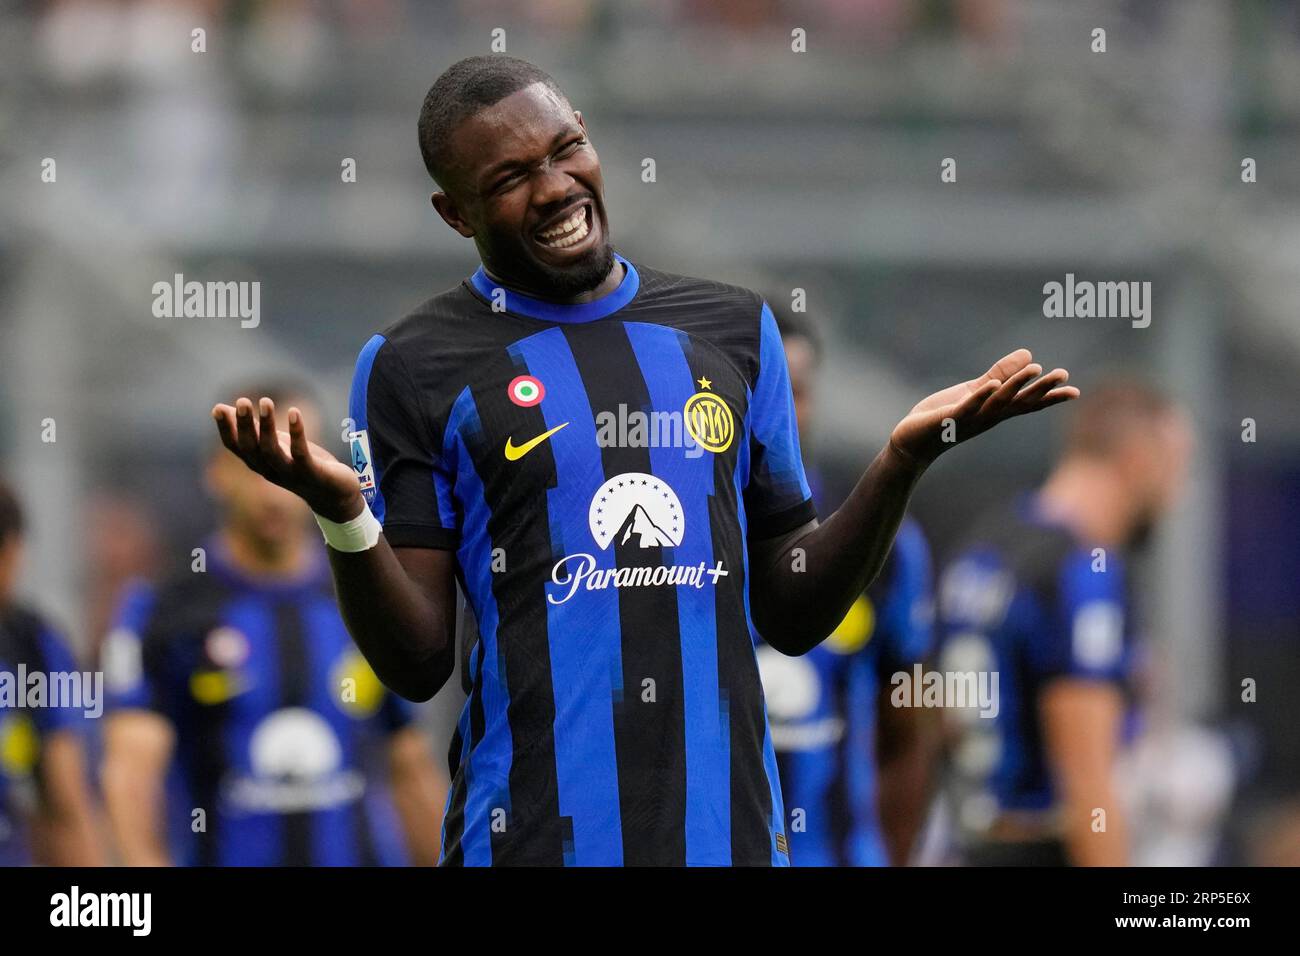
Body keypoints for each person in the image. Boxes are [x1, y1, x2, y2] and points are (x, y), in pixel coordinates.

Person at [211, 55, 1077, 866]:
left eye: (566, 150)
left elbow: (791, 611)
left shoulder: (734, 331)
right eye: (509, 180)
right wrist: (343, 518)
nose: (555, 189)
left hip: (727, 839)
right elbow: (417, 661)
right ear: (455, 214)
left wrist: (900, 462)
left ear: (588, 136)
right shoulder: (410, 365)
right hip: (529, 844)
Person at [102, 382, 445, 866]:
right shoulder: (163, 609)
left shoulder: (370, 597)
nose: (279, 486)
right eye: (259, 462)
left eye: (298, 454)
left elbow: (409, 767)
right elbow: (132, 776)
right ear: (218, 471)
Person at [935, 381, 1192, 866]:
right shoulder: (1083, 571)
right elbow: (1086, 781)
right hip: (1038, 850)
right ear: (1137, 459)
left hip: (968, 845)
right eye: (1175, 469)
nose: (1176, 495)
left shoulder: (983, 550)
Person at [757, 303, 937, 866]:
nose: (781, 413)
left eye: (798, 392)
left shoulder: (879, 541)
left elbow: (907, 733)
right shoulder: (669, 539)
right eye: (758, 392)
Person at [0, 478, 103, 866]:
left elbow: (64, 804)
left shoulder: (33, 645)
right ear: (11, 553)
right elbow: (66, 808)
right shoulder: (34, 643)